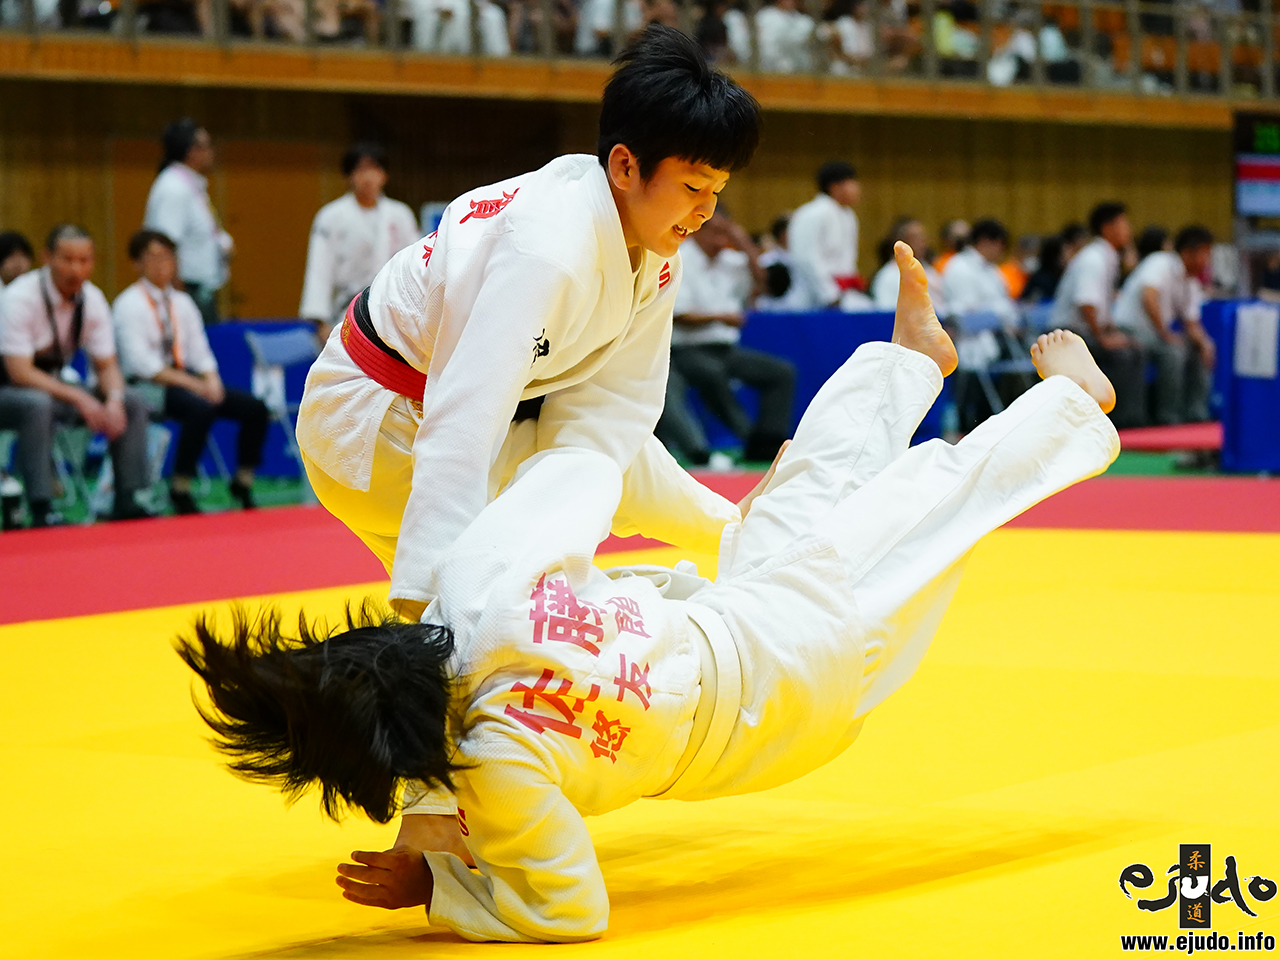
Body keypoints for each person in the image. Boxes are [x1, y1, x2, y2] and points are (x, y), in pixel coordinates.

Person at [179, 243, 1120, 944]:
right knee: (922, 501)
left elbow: (566, 906)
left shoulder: (489, 773)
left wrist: (440, 889)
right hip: (780, 682)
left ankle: (910, 363)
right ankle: (1072, 406)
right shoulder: (471, 593)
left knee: (791, 504)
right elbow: (580, 473)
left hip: (737, 638)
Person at [297, 25, 762, 626]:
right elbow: (464, 414)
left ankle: (745, 538)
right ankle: (748, 538)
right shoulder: (547, 246)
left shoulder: (652, 247)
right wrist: (423, 590)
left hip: (453, 415)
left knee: (602, 463)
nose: (706, 212)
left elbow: (614, 412)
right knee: (478, 610)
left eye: (717, 192)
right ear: (624, 166)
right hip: (376, 422)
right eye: (694, 187)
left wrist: (576, 516)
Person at [0, 225, 153, 526]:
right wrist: (80, 397)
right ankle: (42, 508)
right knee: (36, 404)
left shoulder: (92, 299)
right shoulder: (20, 297)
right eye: (67, 259)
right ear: (47, 258)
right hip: (10, 391)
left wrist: (113, 399)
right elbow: (19, 373)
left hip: (55, 389)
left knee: (132, 401)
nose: (76, 269)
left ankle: (129, 499)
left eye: (84, 260)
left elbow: (106, 365)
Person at [113, 229, 270, 514]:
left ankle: (243, 481)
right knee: (200, 408)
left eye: (168, 257)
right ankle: (180, 486)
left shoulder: (182, 303)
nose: (162, 264)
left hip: (185, 381)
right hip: (146, 387)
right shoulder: (127, 304)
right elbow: (141, 364)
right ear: (136, 263)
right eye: (153, 257)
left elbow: (199, 350)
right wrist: (195, 385)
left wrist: (212, 379)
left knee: (255, 408)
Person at [657, 211, 795, 465]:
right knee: (711, 372)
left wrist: (741, 239)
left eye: (726, 233)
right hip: (686, 350)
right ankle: (746, 435)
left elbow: (766, 282)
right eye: (717, 233)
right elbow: (678, 313)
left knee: (781, 373)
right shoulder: (679, 257)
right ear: (699, 231)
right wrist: (719, 317)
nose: (723, 240)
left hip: (727, 349)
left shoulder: (732, 260)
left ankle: (766, 443)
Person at [299, 143, 422, 340]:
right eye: (361, 170)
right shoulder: (331, 217)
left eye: (374, 169)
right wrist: (320, 321)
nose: (368, 177)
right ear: (349, 176)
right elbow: (319, 269)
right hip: (346, 310)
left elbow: (415, 265)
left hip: (394, 310)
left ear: (384, 175)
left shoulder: (401, 215)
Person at [1051, 201, 1145, 427]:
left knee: (1135, 346)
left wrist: (1112, 331)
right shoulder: (1094, 258)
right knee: (1122, 355)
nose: (1128, 231)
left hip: (1082, 331)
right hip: (1065, 336)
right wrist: (1103, 338)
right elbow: (1086, 304)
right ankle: (1118, 420)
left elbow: (1100, 307)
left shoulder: (1107, 256)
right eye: (1123, 225)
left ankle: (1130, 417)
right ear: (1107, 228)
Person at [1113, 224, 1216, 425]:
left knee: (1198, 350)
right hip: (1131, 329)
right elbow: (1149, 296)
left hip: (1156, 334)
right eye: (1205, 254)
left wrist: (1205, 344)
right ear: (1188, 252)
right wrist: (1164, 332)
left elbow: (1191, 322)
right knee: (1173, 352)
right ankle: (1168, 417)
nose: (1208, 261)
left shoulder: (1191, 282)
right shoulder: (1161, 262)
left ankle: (1197, 413)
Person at [144, 119, 234, 325]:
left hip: (199, 292)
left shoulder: (190, 185)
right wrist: (176, 302)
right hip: (186, 293)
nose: (212, 152)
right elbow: (163, 248)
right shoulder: (173, 188)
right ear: (192, 151)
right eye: (207, 146)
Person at [787, 160, 861, 308]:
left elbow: (846, 260)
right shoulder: (811, 214)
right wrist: (829, 294)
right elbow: (805, 258)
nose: (857, 188)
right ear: (834, 187)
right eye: (852, 183)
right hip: (811, 298)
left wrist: (849, 289)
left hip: (842, 295)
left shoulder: (849, 216)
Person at [870, 217, 946, 315]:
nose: (923, 243)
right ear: (901, 243)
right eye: (916, 238)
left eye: (924, 238)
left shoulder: (930, 271)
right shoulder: (888, 276)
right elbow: (887, 313)